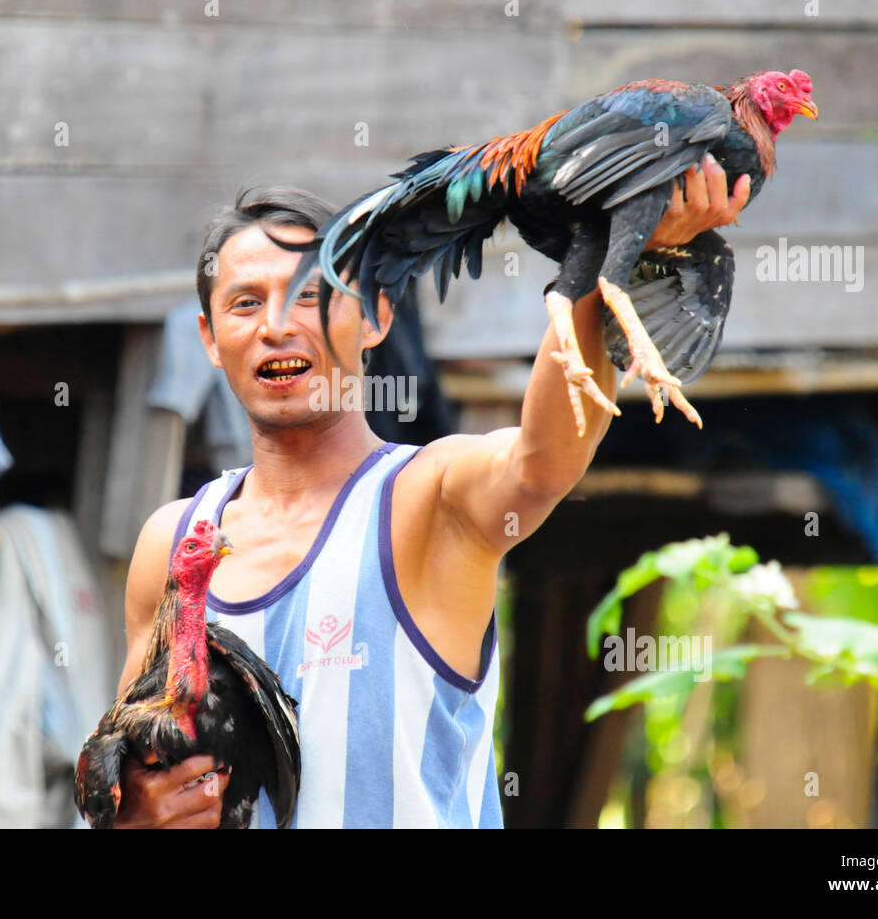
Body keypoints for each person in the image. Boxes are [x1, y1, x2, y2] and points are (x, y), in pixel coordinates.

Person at [113, 156, 749, 828]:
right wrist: (133, 809)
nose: (275, 324)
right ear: (210, 338)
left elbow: (542, 459)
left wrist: (615, 250)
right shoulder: (174, 545)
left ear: (377, 317)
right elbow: (131, 772)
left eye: (309, 293)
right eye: (245, 302)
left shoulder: (429, 499)